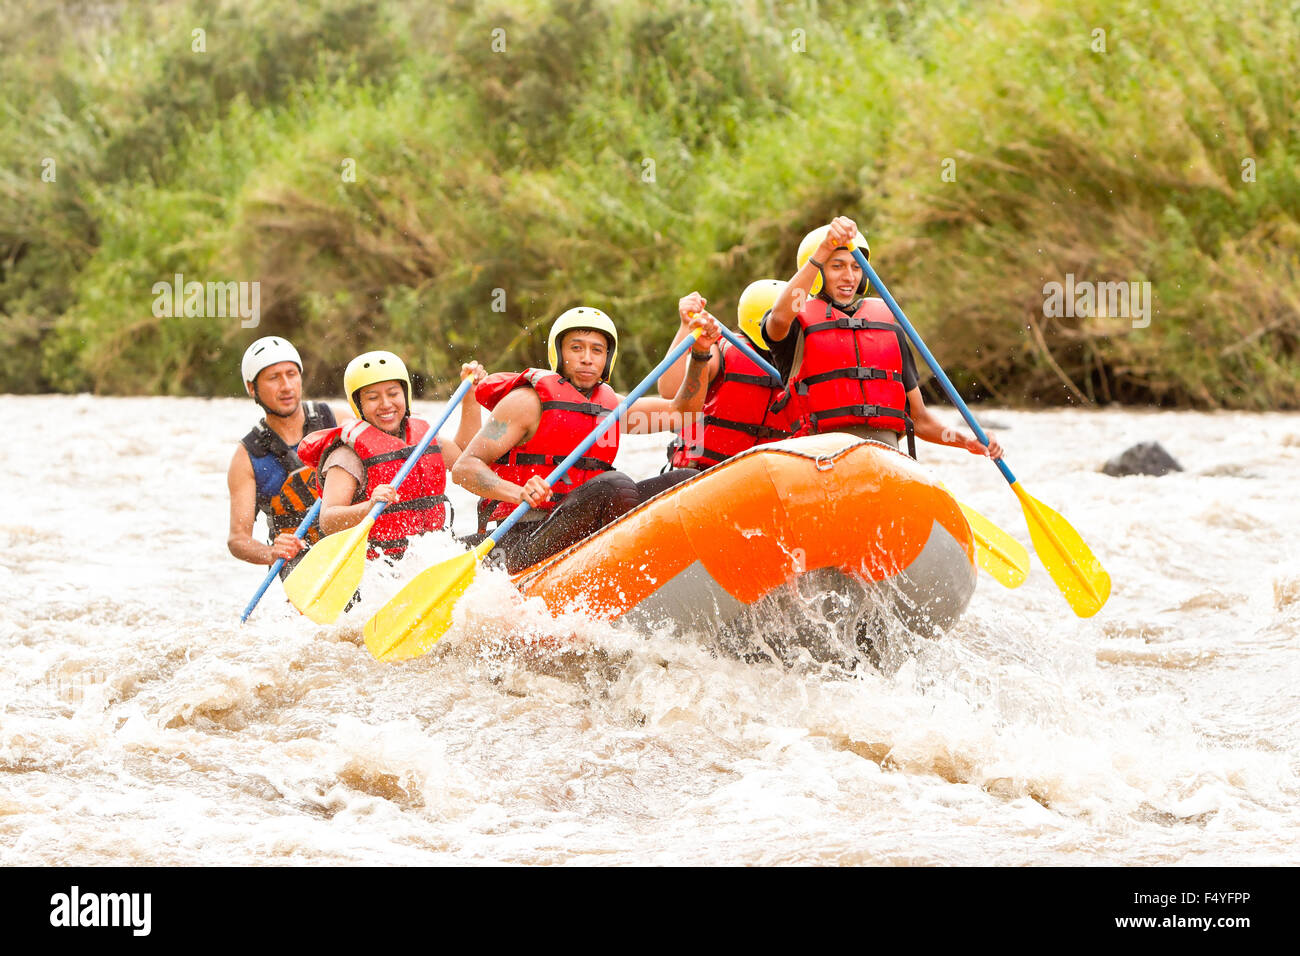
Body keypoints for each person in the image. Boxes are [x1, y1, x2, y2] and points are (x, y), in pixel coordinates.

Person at [452, 306, 722, 573]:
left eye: (596, 350)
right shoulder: (526, 403)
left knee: (685, 480)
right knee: (613, 486)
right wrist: (518, 492)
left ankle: (679, 563)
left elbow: (682, 413)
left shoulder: (612, 408)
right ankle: (628, 569)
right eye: (576, 348)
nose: (587, 359)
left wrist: (700, 353)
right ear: (559, 353)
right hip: (521, 539)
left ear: (608, 358)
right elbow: (465, 468)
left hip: (579, 527)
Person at [763, 216, 1004, 459]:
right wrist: (823, 249)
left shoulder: (889, 327)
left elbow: (919, 420)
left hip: (884, 460)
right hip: (821, 459)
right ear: (817, 270)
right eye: (837, 266)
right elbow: (779, 319)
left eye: (856, 267)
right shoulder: (795, 326)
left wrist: (967, 441)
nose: (849, 276)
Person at [296, 351, 486, 561]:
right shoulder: (346, 455)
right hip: (379, 567)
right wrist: (368, 507)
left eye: (393, 394)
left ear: (406, 394)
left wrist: (471, 398)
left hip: (432, 553)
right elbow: (328, 520)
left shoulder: (424, 437)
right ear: (358, 404)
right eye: (373, 397)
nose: (386, 404)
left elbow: (464, 459)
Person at [227, 336, 342, 577]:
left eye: (291, 374)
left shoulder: (336, 421)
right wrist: (270, 553)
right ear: (252, 388)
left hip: (351, 544)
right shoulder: (248, 457)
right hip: (301, 567)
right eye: (273, 378)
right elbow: (238, 539)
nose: (286, 386)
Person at [657, 281, 792, 471]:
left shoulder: (802, 360)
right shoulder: (720, 352)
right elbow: (669, 390)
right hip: (706, 474)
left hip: (769, 477)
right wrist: (685, 329)